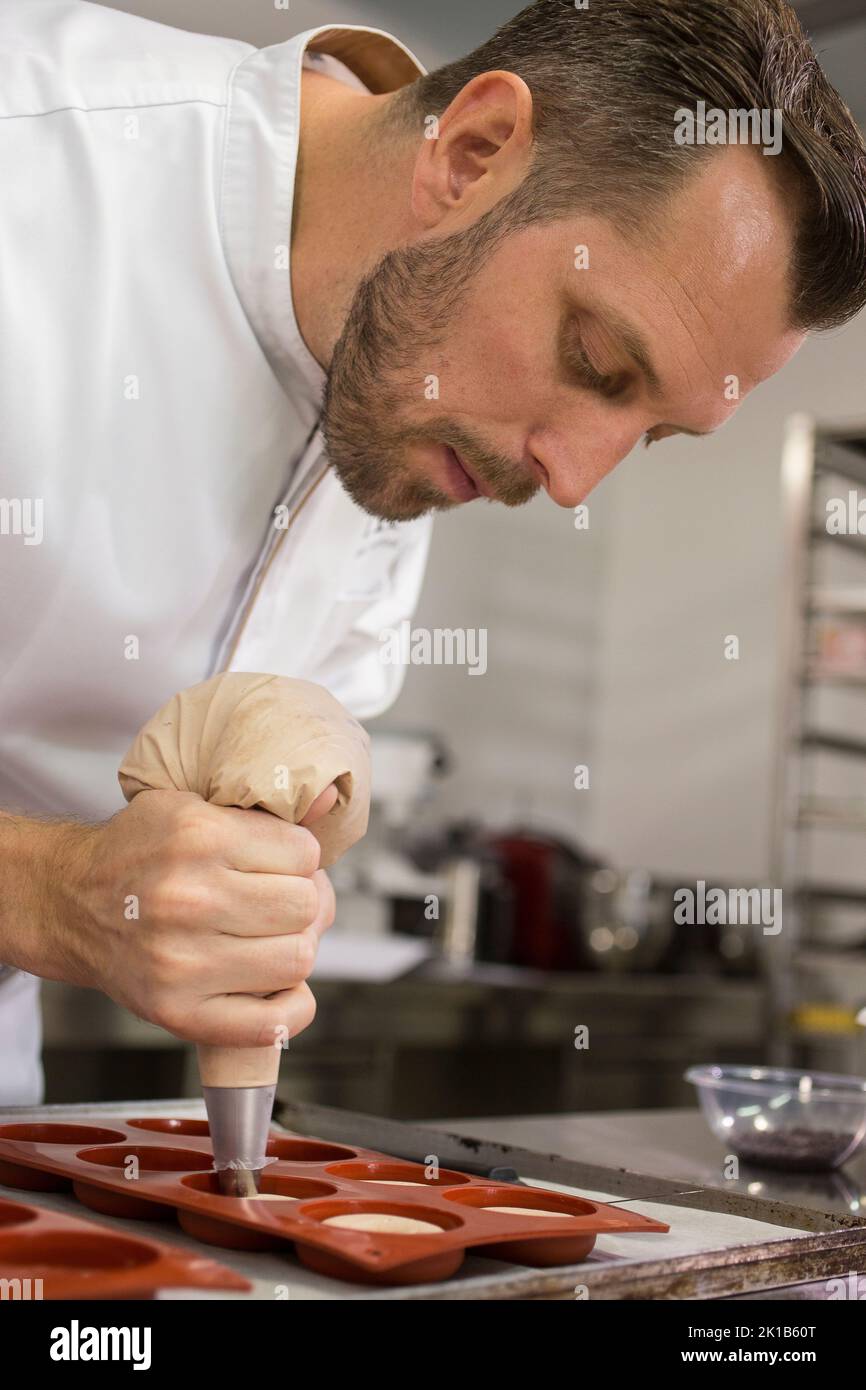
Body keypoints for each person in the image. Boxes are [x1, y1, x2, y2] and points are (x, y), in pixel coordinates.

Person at [1, 0, 864, 1105]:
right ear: (471, 155)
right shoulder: (31, 154)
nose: (572, 480)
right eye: (594, 357)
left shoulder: (404, 409)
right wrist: (45, 892)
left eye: (648, 433)